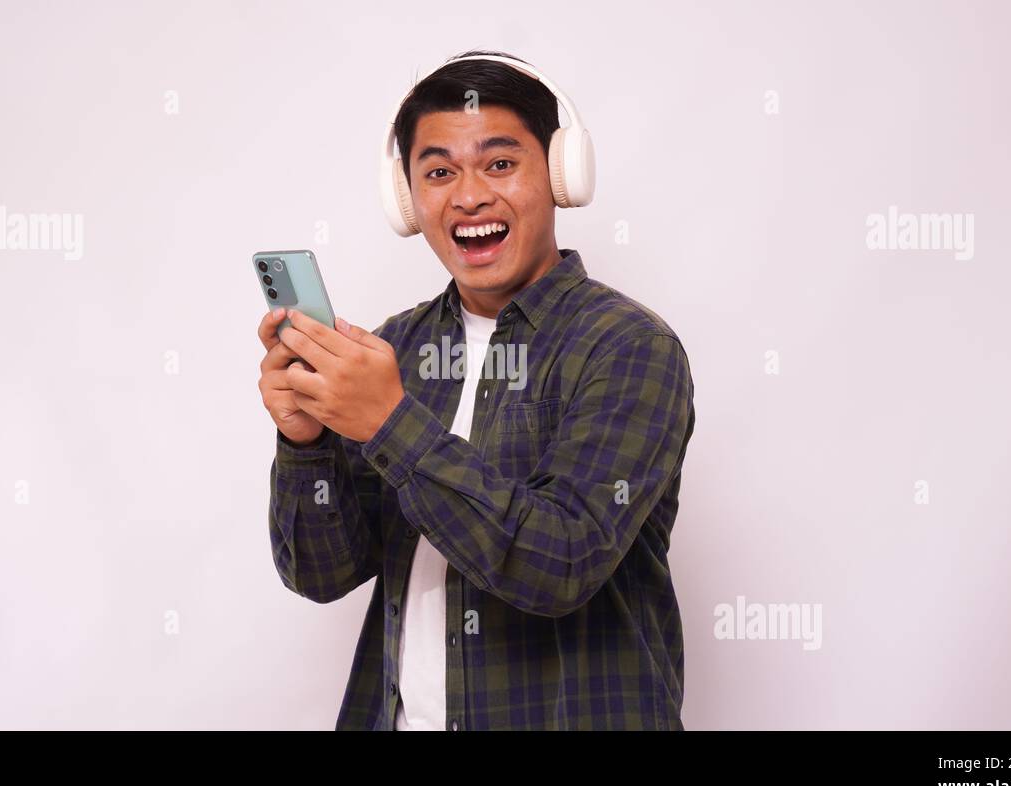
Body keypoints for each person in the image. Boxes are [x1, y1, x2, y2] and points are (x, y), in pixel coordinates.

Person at [259, 49, 695, 730]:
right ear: (407, 198)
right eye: (438, 172)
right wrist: (304, 440)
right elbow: (323, 572)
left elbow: (561, 562)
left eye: (499, 163)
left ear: (559, 174)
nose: (468, 197)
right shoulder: (395, 349)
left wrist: (387, 422)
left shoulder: (629, 345)